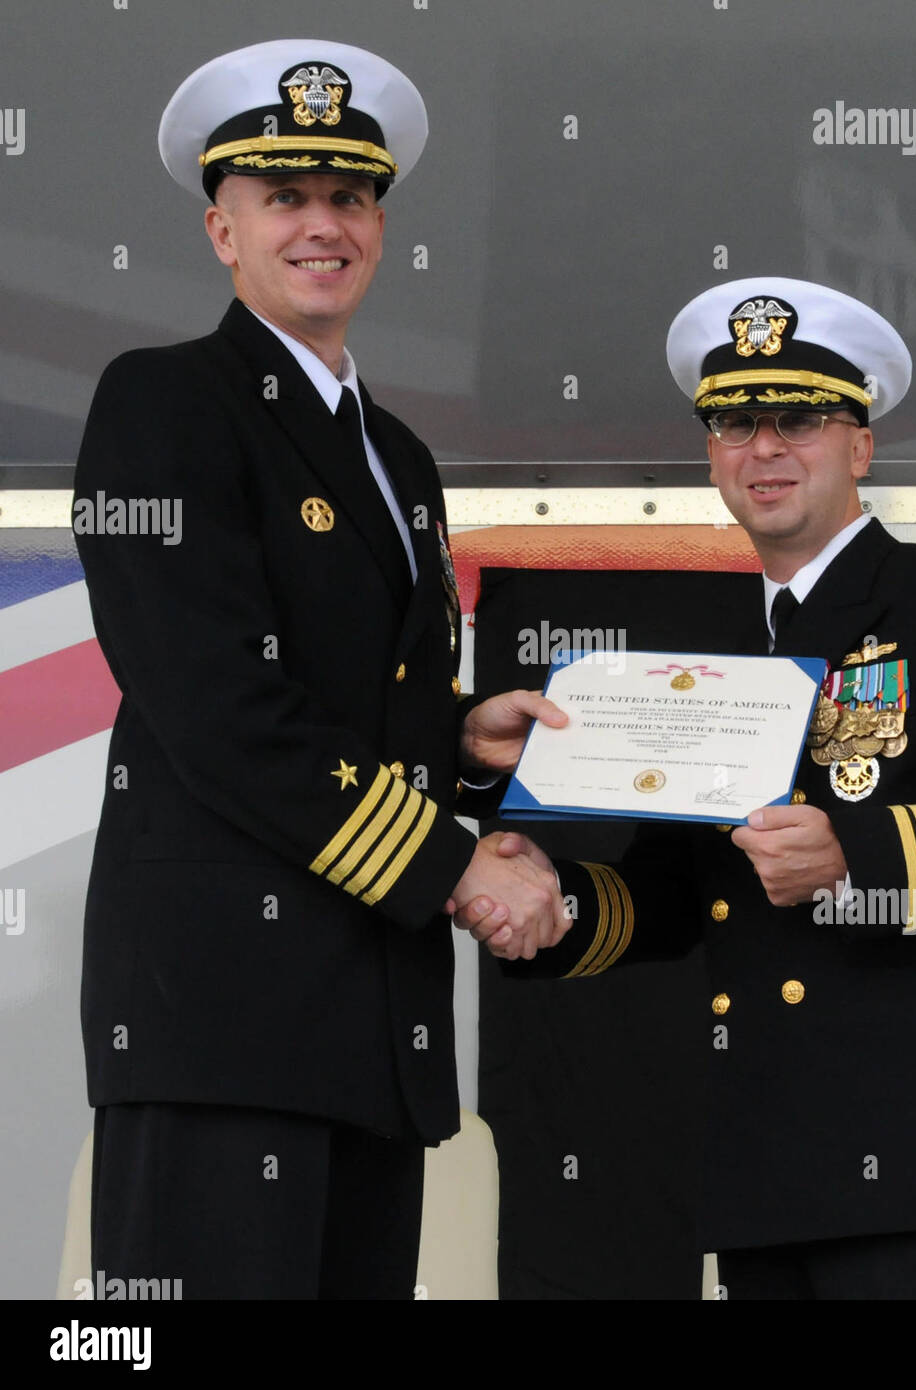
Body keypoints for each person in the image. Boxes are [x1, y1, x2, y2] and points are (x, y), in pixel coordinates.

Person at [455, 277, 916, 1299]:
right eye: (732, 422)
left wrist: (860, 852)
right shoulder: (718, 656)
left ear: (860, 442)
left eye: (797, 419)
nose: (762, 448)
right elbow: (681, 888)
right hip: (764, 1174)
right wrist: (553, 910)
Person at [73, 39, 567, 1300]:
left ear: (381, 227)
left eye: (347, 197)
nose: (320, 224)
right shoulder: (162, 401)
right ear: (221, 229)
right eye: (284, 195)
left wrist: (458, 736)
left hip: (367, 1024)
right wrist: (457, 866)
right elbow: (222, 710)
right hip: (222, 1022)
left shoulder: (398, 454)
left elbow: (344, 687)